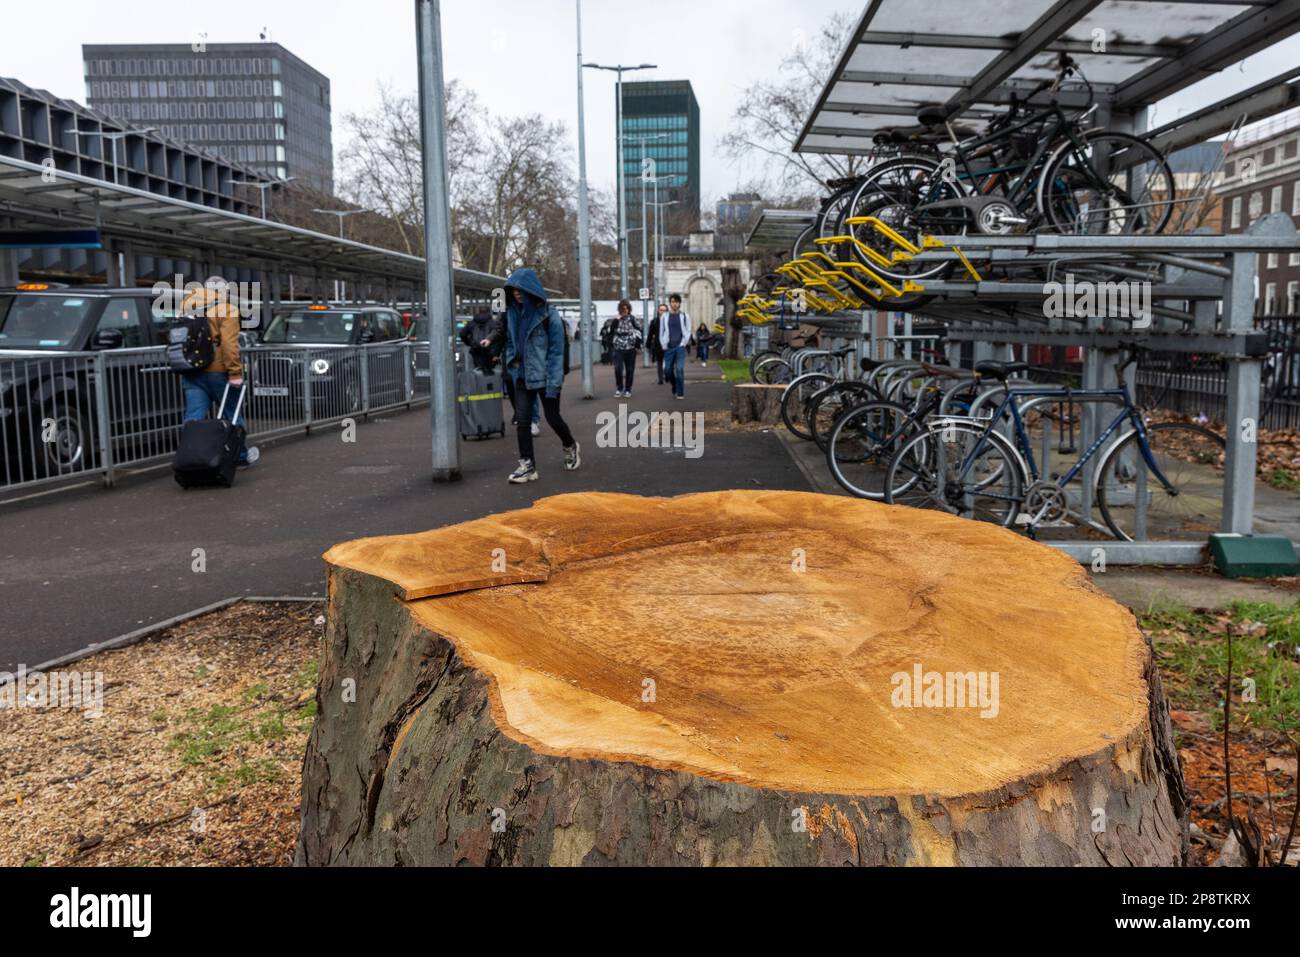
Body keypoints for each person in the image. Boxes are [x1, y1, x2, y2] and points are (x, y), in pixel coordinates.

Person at [502, 268, 580, 483]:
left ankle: (570, 445)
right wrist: (512, 362)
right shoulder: (511, 312)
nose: (517, 293)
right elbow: (510, 341)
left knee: (553, 418)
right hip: (522, 375)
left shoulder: (549, 314)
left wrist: (554, 383)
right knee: (523, 421)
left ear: (531, 289)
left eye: (521, 289)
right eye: (514, 289)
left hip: (546, 377)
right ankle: (527, 466)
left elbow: (557, 351)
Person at [179, 285, 258, 466]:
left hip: (191, 370)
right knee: (232, 413)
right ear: (224, 292)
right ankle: (239, 456)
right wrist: (235, 372)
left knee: (193, 417)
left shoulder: (186, 306)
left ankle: (190, 456)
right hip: (218, 371)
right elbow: (229, 346)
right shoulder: (227, 309)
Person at [659, 293, 692, 400]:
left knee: (679, 369)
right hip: (668, 347)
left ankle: (680, 392)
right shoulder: (664, 316)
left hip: (680, 347)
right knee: (667, 371)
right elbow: (661, 331)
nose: (674, 304)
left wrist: (683, 343)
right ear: (670, 303)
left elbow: (688, 331)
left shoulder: (684, 316)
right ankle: (674, 385)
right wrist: (663, 344)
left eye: (676, 302)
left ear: (679, 304)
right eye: (672, 302)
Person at [610, 299, 642, 398]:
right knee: (618, 368)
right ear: (619, 309)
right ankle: (619, 388)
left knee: (630, 370)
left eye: (626, 308)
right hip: (618, 347)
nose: (624, 311)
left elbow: (639, 330)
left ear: (629, 309)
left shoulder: (632, 319)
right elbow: (611, 331)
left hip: (630, 348)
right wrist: (616, 320)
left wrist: (637, 342)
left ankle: (628, 389)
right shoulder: (616, 319)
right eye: (622, 309)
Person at [646, 303, 666, 385]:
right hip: (658, 345)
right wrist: (648, 344)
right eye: (661, 310)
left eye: (665, 310)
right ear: (658, 311)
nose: (663, 312)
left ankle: (667, 374)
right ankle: (660, 378)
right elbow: (650, 334)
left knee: (669, 362)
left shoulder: (670, 320)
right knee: (659, 362)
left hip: (669, 345)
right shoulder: (654, 321)